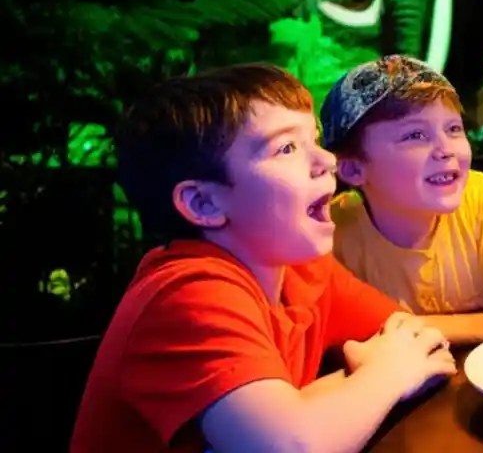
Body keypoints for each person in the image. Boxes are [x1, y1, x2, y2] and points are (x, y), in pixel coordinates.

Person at [71, 63, 456, 453]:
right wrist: (385, 372)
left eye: (315, 139)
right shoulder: (186, 294)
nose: (328, 161)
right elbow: (291, 447)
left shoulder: (300, 269)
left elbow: (419, 342)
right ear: (202, 202)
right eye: (286, 147)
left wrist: (320, 401)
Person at [321, 55, 483, 346]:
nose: (445, 149)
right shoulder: (332, 233)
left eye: (453, 129)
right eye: (415, 135)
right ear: (352, 168)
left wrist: (415, 328)